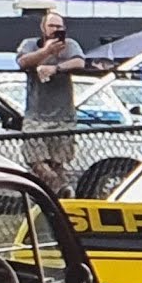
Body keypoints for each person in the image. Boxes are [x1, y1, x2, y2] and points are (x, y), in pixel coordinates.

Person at [15, 11, 85, 196]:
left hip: (63, 115)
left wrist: (56, 68)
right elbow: (22, 62)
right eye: (52, 26)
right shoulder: (30, 44)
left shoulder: (69, 45)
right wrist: (46, 51)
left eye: (60, 27)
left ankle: (56, 198)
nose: (56, 30)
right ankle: (62, 189)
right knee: (36, 160)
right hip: (36, 115)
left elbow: (79, 62)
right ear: (43, 28)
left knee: (57, 162)